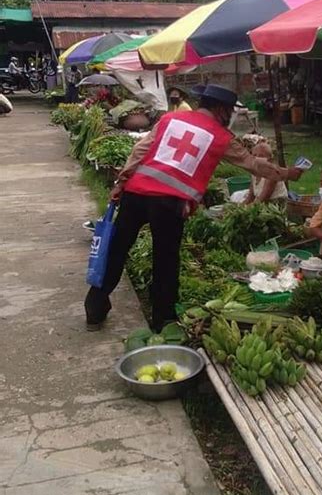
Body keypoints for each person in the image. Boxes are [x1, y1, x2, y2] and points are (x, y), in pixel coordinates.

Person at [85, 84, 304, 332]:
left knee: (117, 249)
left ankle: (95, 305)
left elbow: (140, 150)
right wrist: (288, 174)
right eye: (230, 111)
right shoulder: (221, 137)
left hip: (136, 193)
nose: (230, 116)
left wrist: (121, 182)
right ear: (221, 109)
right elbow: (254, 164)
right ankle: (163, 320)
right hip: (168, 203)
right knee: (165, 261)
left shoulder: (170, 119)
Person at [244, 141, 288, 207]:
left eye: (261, 156)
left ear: (269, 159)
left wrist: (246, 209)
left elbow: (263, 199)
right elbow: (250, 197)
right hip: (261, 204)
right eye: (254, 155)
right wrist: (238, 208)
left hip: (274, 206)